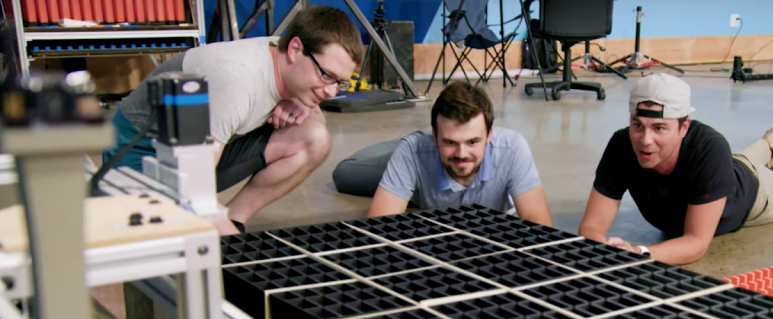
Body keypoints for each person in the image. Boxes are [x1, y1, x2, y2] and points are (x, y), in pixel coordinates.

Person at [102, 6, 362, 235]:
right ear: (295, 49)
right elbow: (195, 190)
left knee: (313, 138)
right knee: (162, 244)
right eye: (326, 75)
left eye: (340, 81)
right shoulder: (236, 80)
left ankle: (233, 219)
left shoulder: (288, 56)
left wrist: (305, 104)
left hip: (193, 149)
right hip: (139, 157)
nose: (331, 91)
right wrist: (236, 253)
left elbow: (313, 120)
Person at [578, 73, 773, 265]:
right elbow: (591, 227)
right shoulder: (621, 145)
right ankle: (769, 144)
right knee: (735, 161)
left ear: (685, 126)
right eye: (638, 125)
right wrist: (603, 247)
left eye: (659, 128)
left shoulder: (708, 148)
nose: (645, 141)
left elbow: (696, 244)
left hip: (751, 196)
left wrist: (640, 254)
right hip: (726, 169)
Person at [334, 82, 553, 226]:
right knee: (344, 175)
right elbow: (379, 227)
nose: (462, 154)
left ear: (490, 135)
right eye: (450, 142)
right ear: (435, 135)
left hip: (430, 153)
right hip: (419, 152)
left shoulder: (512, 148)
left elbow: (539, 224)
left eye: (473, 142)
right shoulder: (413, 151)